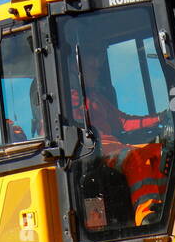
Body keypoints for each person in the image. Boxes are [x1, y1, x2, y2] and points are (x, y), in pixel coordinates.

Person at [70, 52, 167, 226]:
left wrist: (160, 118)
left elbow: (124, 122)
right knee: (135, 156)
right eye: (93, 67)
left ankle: (164, 206)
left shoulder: (96, 98)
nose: (98, 70)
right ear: (78, 72)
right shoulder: (69, 100)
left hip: (117, 147)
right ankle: (145, 213)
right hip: (97, 151)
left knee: (159, 151)